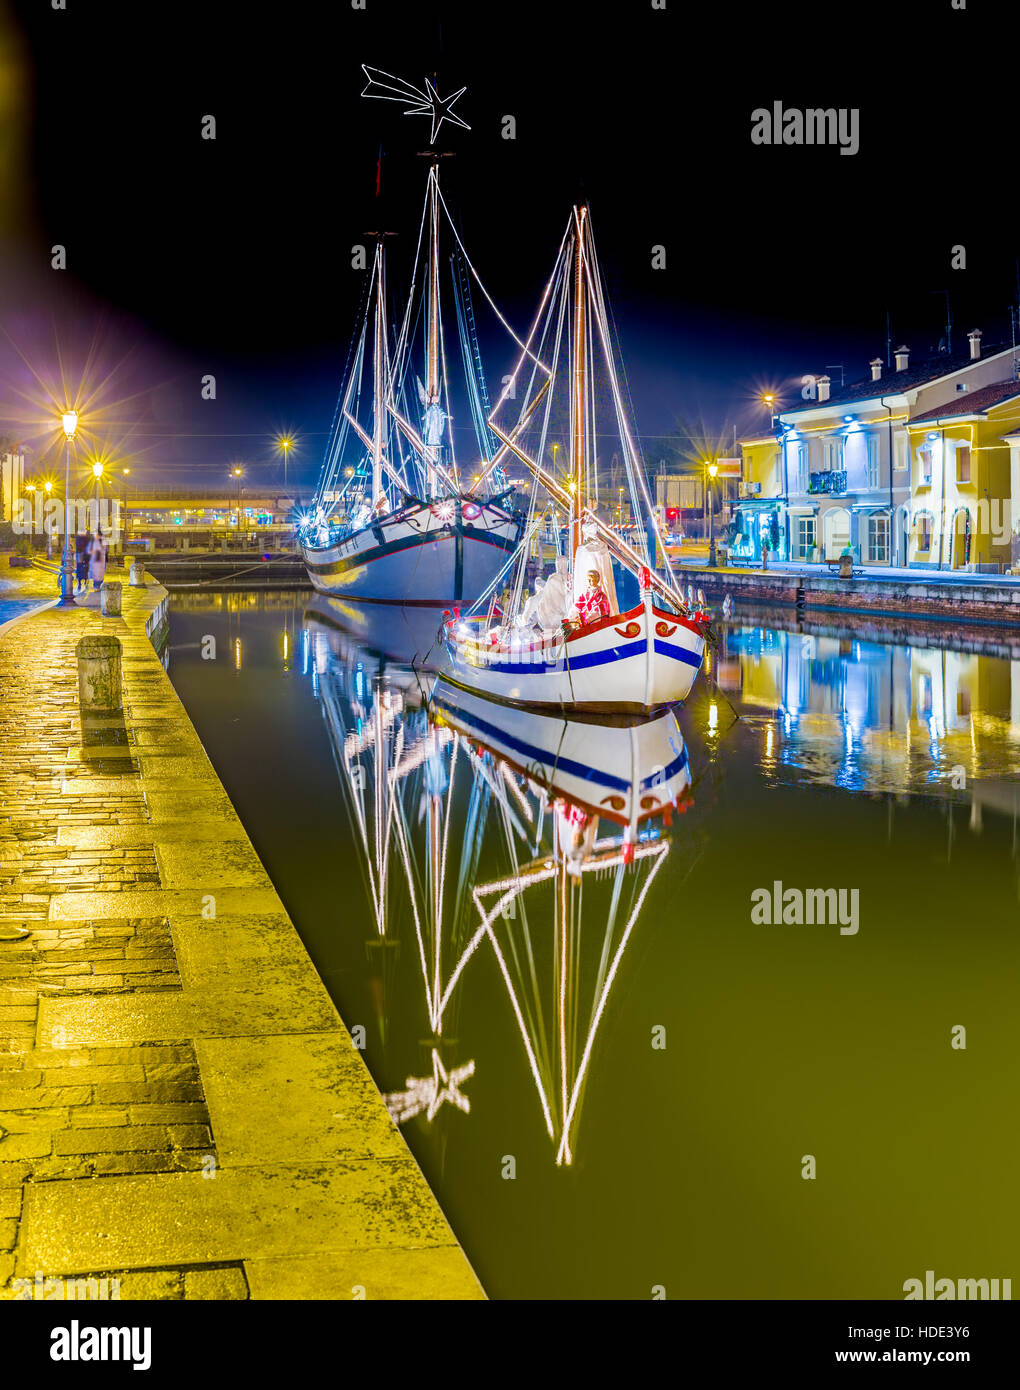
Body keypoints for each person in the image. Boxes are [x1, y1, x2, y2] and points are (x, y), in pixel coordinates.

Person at [88, 526, 108, 592]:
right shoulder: (93, 540)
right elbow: (89, 550)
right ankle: (96, 586)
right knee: (95, 573)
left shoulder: (102, 540)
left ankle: (98, 586)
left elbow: (105, 549)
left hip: (100, 559)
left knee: (100, 573)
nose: (94, 535)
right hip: (95, 559)